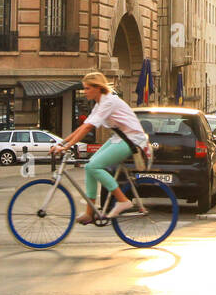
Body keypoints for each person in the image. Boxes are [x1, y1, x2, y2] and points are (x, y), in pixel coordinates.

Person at [54, 72, 149, 225]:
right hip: (120, 138)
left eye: (88, 88)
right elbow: (83, 127)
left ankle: (123, 201)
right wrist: (62, 143)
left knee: (93, 166)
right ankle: (89, 214)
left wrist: (67, 147)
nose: (85, 92)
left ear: (98, 88)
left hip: (132, 139)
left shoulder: (108, 102)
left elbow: (87, 129)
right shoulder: (99, 104)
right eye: (84, 88)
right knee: (89, 166)